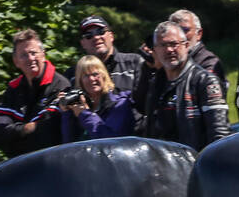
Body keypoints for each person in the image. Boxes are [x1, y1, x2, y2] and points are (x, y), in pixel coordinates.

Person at [141, 21, 230, 150]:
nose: (169, 50)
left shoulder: (205, 81)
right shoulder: (155, 84)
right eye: (163, 45)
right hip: (164, 165)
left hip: (196, 164)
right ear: (155, 50)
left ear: (186, 46)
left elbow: (220, 135)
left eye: (174, 44)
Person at [0, 30, 71, 157]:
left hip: (51, 160)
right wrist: (26, 128)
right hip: (18, 164)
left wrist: (16, 133)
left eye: (33, 53)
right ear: (16, 61)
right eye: (23, 55)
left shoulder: (60, 85)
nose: (30, 58)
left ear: (43, 55)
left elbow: (48, 132)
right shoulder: (13, 88)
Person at [60, 56, 137, 142]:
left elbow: (110, 140)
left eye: (95, 74)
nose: (92, 79)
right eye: (86, 76)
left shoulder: (120, 103)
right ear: (80, 80)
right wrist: (67, 113)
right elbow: (69, 143)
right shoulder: (80, 105)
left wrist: (85, 114)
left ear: (104, 75)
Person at [79, 15, 145, 93]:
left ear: (111, 36)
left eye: (101, 32)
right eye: (88, 35)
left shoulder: (135, 63)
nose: (96, 37)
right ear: (82, 43)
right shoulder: (75, 74)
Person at [168, 9, 229, 87]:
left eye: (185, 30)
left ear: (199, 34)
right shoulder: (165, 61)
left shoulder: (209, 62)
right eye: (175, 31)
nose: (179, 36)